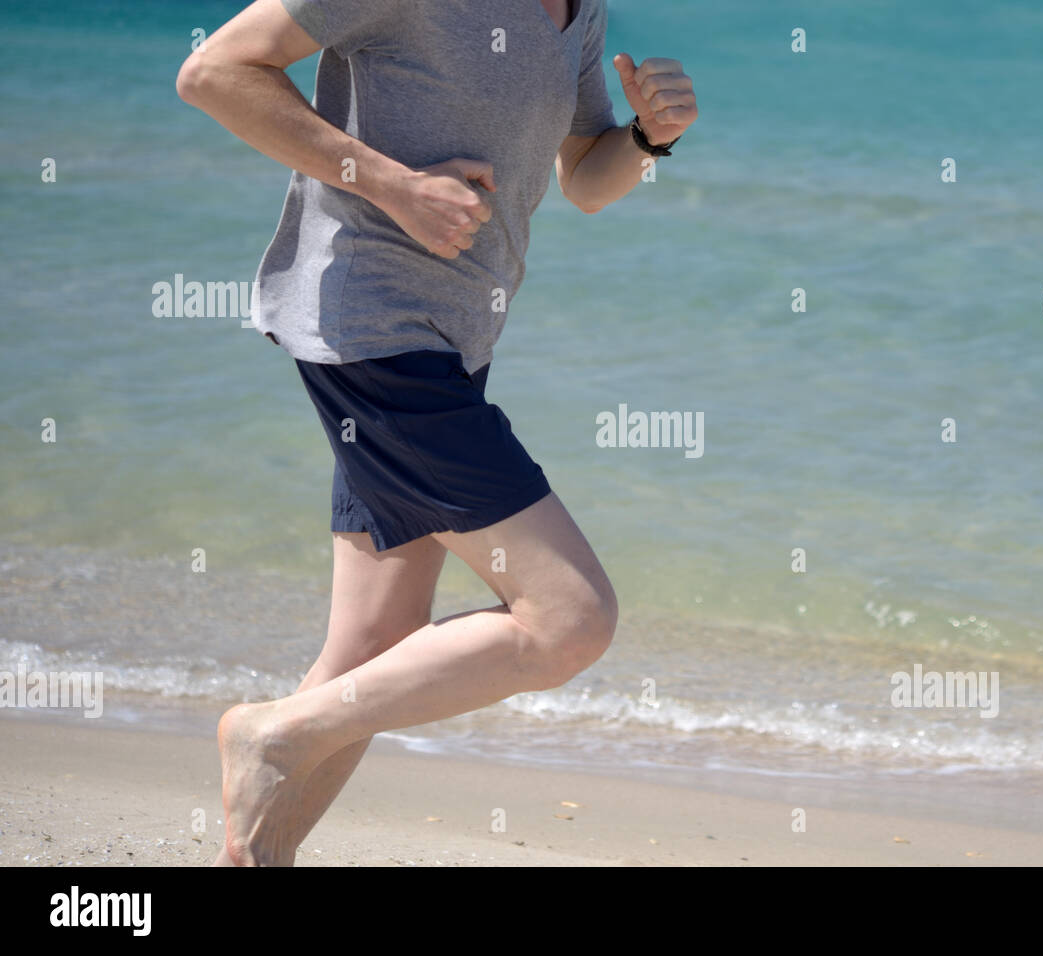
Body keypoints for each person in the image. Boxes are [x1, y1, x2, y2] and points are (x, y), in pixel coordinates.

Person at [175, 0, 698, 866]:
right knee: (570, 620)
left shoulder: (580, 8)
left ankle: (253, 856)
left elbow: (585, 180)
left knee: (374, 646)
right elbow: (216, 73)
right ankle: (273, 733)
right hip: (373, 332)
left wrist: (647, 138)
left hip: (449, 344)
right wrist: (390, 184)